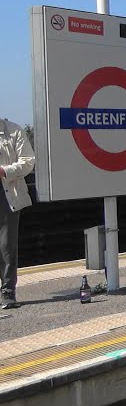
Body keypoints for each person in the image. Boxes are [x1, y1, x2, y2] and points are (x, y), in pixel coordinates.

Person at [0, 117, 35, 310]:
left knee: (6, 245)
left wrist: (5, 171)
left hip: (7, 195)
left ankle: (7, 291)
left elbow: (28, 161)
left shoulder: (13, 130)